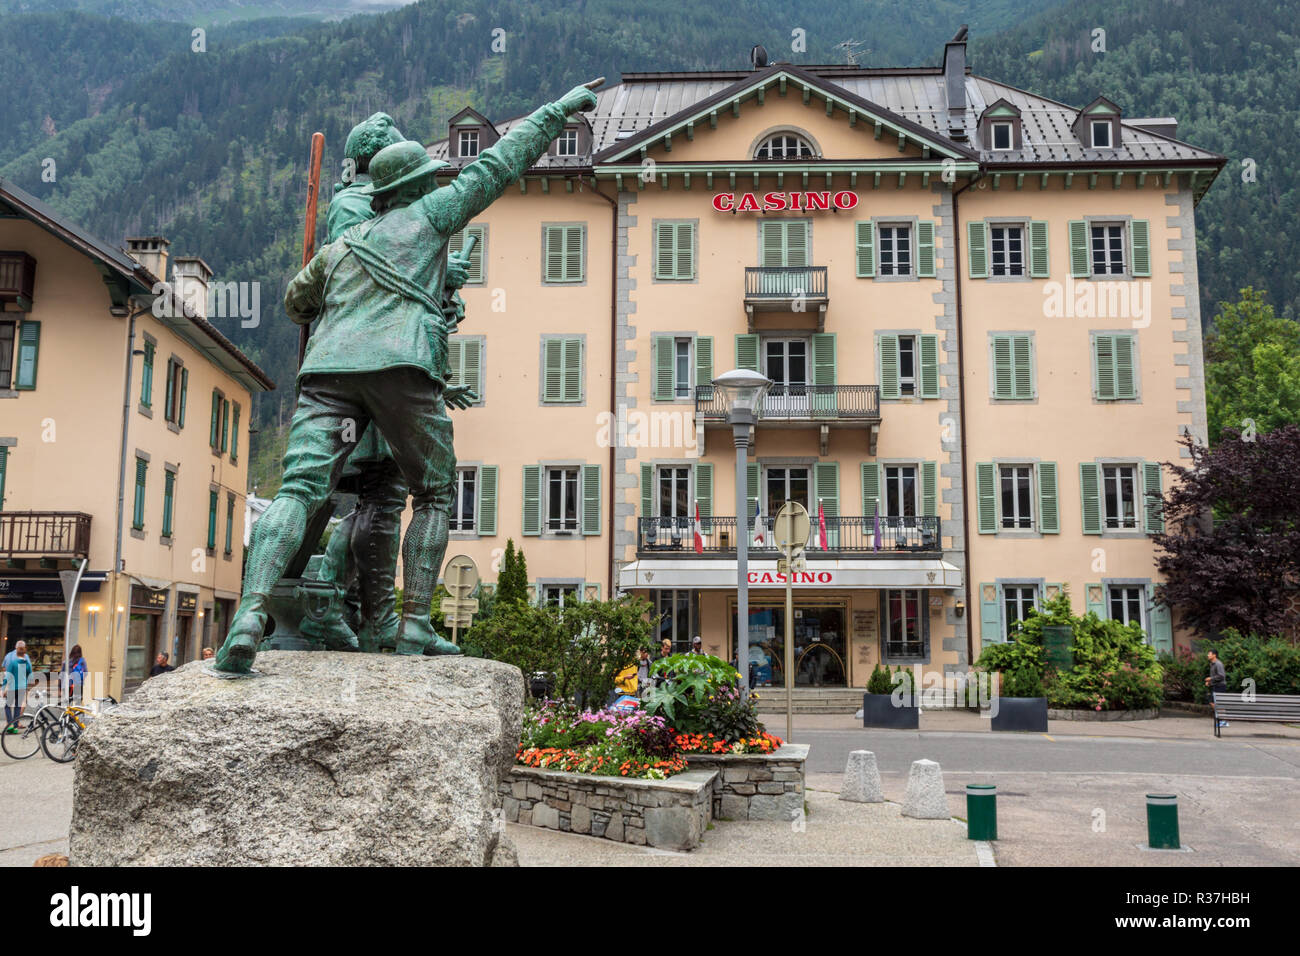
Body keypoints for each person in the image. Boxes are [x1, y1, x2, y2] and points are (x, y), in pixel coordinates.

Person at [213, 79, 601, 674]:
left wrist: (345, 313)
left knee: (296, 494)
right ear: (419, 186)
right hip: (401, 368)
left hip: (328, 373)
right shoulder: (432, 215)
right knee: (436, 491)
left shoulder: (344, 244)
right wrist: (553, 112)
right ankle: (415, 624)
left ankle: (248, 615)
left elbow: (296, 300)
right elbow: (499, 163)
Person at [310, 110, 474, 653]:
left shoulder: (357, 203)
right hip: (373, 366)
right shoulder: (359, 206)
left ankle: (365, 611)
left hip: (364, 361)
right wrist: (443, 276)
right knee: (383, 495)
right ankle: (344, 601)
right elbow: (362, 285)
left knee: (382, 495)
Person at [4, 641, 32, 728]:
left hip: (12, 687)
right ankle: (15, 725)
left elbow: (8, 675)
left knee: (7, 706)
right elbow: (30, 675)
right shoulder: (27, 663)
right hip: (22, 687)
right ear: (24, 653)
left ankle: (10, 724)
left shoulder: (13, 662)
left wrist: (4, 687)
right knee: (18, 706)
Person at [1205, 647, 1229, 728]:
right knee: (1212, 702)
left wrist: (1211, 678)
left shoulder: (1218, 664)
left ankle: (1223, 720)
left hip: (1220, 686)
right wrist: (1209, 682)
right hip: (1215, 685)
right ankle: (1222, 719)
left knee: (1218, 703)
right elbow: (1216, 676)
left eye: (1209, 654)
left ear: (1214, 655)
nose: (1207, 655)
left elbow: (1222, 676)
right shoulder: (1212, 664)